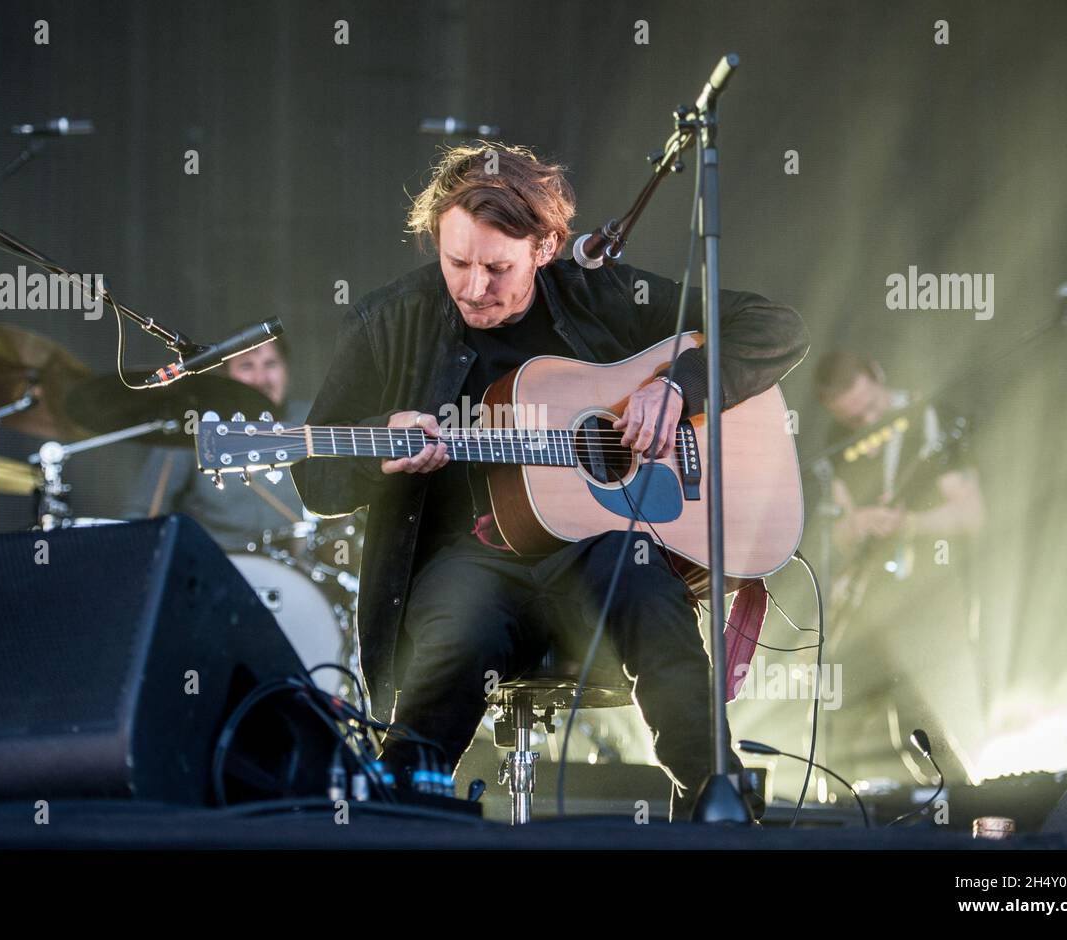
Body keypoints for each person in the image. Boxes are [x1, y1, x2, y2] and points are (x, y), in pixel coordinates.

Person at [292, 143, 809, 820]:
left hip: (596, 560)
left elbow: (775, 328)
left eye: (497, 267)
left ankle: (717, 803)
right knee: (455, 634)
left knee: (649, 592)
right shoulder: (389, 323)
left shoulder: (598, 295)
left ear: (546, 246)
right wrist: (376, 454)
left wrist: (681, 390)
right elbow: (314, 481)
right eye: (457, 263)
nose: (475, 287)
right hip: (467, 567)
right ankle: (398, 815)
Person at [813, 350, 985, 784]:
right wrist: (856, 526)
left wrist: (909, 525)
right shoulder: (839, 440)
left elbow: (972, 515)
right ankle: (841, 820)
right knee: (839, 717)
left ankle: (961, 812)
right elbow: (836, 532)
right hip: (866, 605)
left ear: (879, 373)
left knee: (922, 722)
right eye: (854, 417)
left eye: (872, 406)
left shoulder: (930, 419)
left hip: (928, 599)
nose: (866, 419)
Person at [122, 341, 309, 551]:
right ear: (226, 376)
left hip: (299, 566)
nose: (261, 379)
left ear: (287, 370)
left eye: (271, 364)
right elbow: (144, 513)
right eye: (247, 366)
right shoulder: (193, 429)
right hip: (218, 564)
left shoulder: (310, 422)